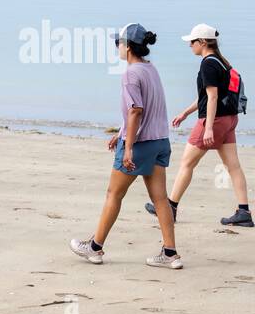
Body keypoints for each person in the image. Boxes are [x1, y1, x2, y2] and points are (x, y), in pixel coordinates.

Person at [70, 23, 182, 269]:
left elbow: (136, 112)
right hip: (160, 141)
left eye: (118, 43)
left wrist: (128, 146)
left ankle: (95, 247)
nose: (117, 47)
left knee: (114, 194)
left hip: (140, 144)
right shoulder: (150, 69)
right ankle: (171, 254)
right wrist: (120, 133)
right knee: (161, 199)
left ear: (128, 46)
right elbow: (146, 110)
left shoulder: (130, 74)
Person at [145, 23, 253, 227]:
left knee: (187, 163)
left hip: (214, 121)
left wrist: (209, 128)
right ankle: (244, 212)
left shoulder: (208, 64)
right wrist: (185, 113)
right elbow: (206, 97)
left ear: (202, 42)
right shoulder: (222, 62)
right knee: (233, 167)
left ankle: (170, 208)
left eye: (192, 42)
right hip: (229, 119)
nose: (190, 46)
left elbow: (212, 98)